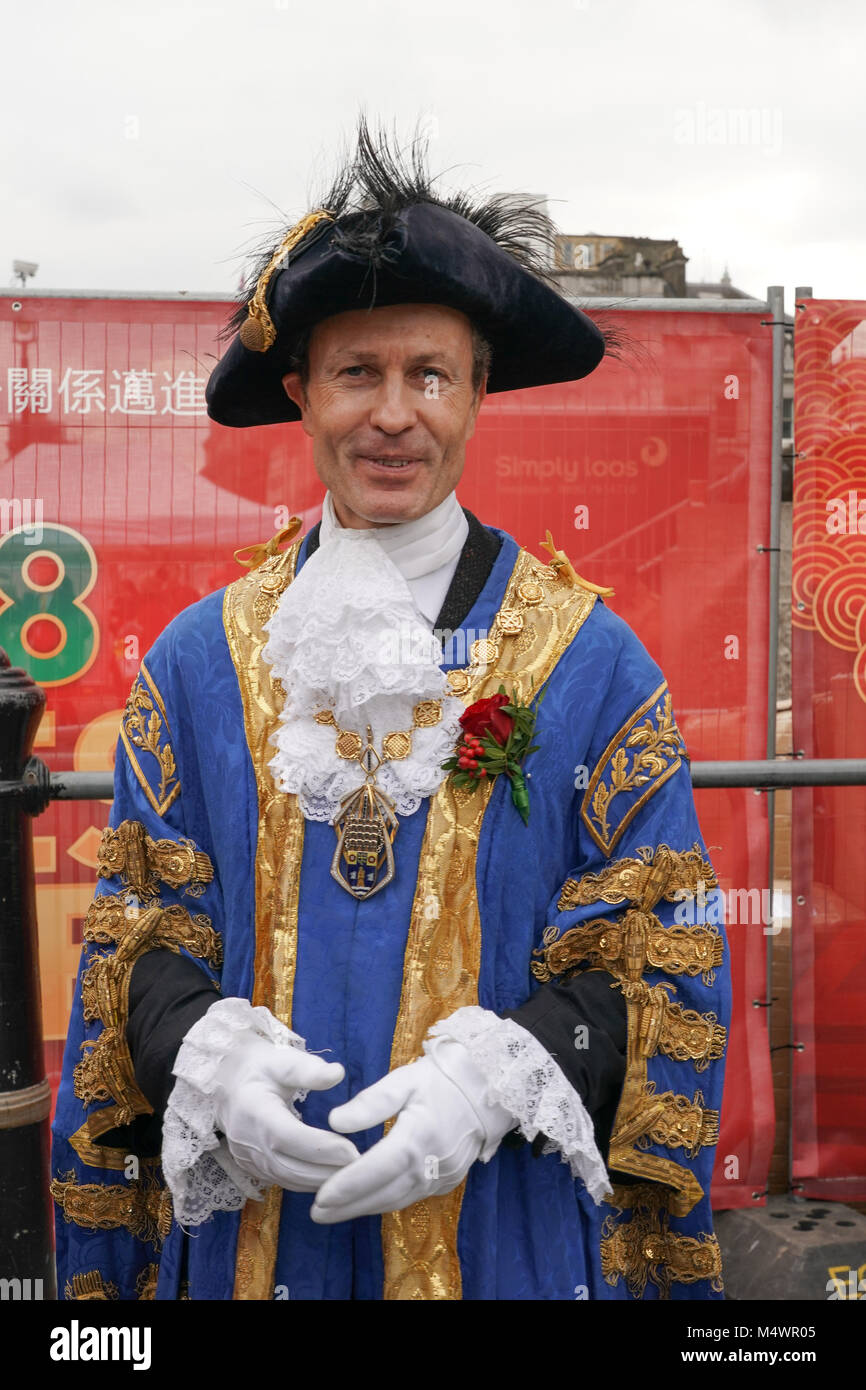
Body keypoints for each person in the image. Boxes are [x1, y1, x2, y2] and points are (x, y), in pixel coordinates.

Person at [51, 119, 729, 1302]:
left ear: (476, 392)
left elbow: (661, 961)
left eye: (427, 374)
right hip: (261, 1224)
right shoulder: (198, 661)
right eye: (358, 373)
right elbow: (139, 936)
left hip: (500, 1229)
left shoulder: (592, 664)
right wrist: (210, 1069)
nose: (393, 414)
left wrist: (498, 1079)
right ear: (301, 393)